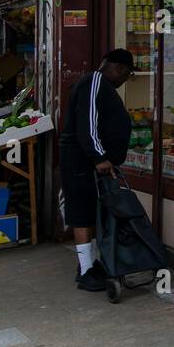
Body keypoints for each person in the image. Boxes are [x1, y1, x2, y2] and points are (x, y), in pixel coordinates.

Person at [59, 50, 134, 292]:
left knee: (89, 211)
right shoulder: (95, 82)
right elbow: (88, 124)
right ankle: (86, 270)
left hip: (88, 160)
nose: (124, 81)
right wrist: (99, 156)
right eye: (126, 75)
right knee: (81, 211)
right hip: (81, 160)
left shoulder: (99, 85)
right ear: (119, 68)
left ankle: (89, 264)